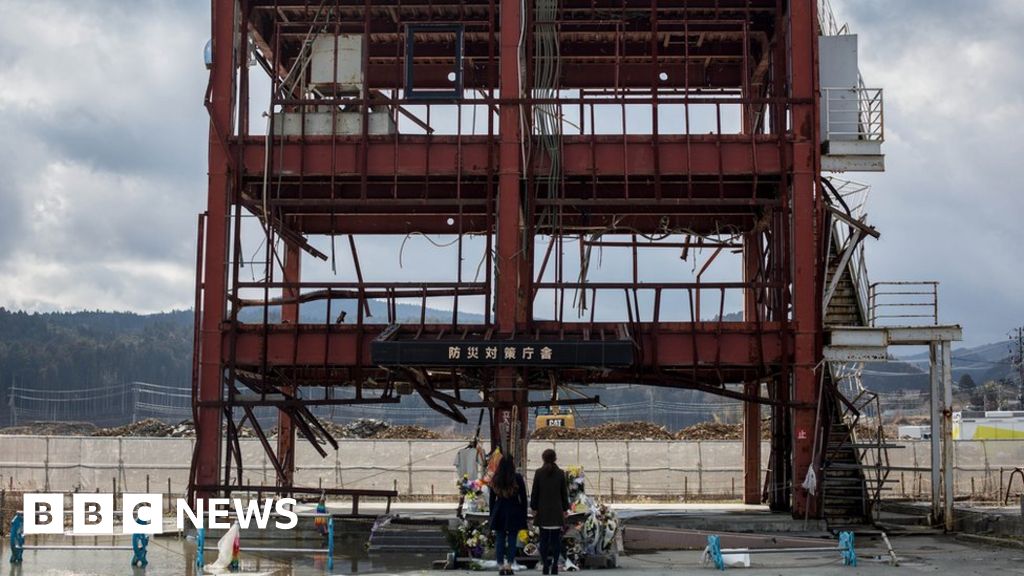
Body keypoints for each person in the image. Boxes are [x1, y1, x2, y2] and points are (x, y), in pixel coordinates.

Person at [530, 449, 570, 575]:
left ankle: (545, 565)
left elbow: (535, 493)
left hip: (543, 512)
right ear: (555, 458)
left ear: (543, 458)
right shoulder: (560, 473)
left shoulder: (539, 473)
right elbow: (564, 493)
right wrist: (565, 509)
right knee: (556, 541)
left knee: (544, 540)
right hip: (556, 512)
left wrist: (534, 507)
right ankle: (555, 565)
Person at [489, 454, 528, 575]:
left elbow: (491, 498)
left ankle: (500, 565)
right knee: (512, 539)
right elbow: (524, 498)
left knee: (500, 539)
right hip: (514, 510)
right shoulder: (517, 478)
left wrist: (492, 514)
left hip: (499, 510)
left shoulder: (495, 478)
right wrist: (524, 513)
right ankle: (509, 564)